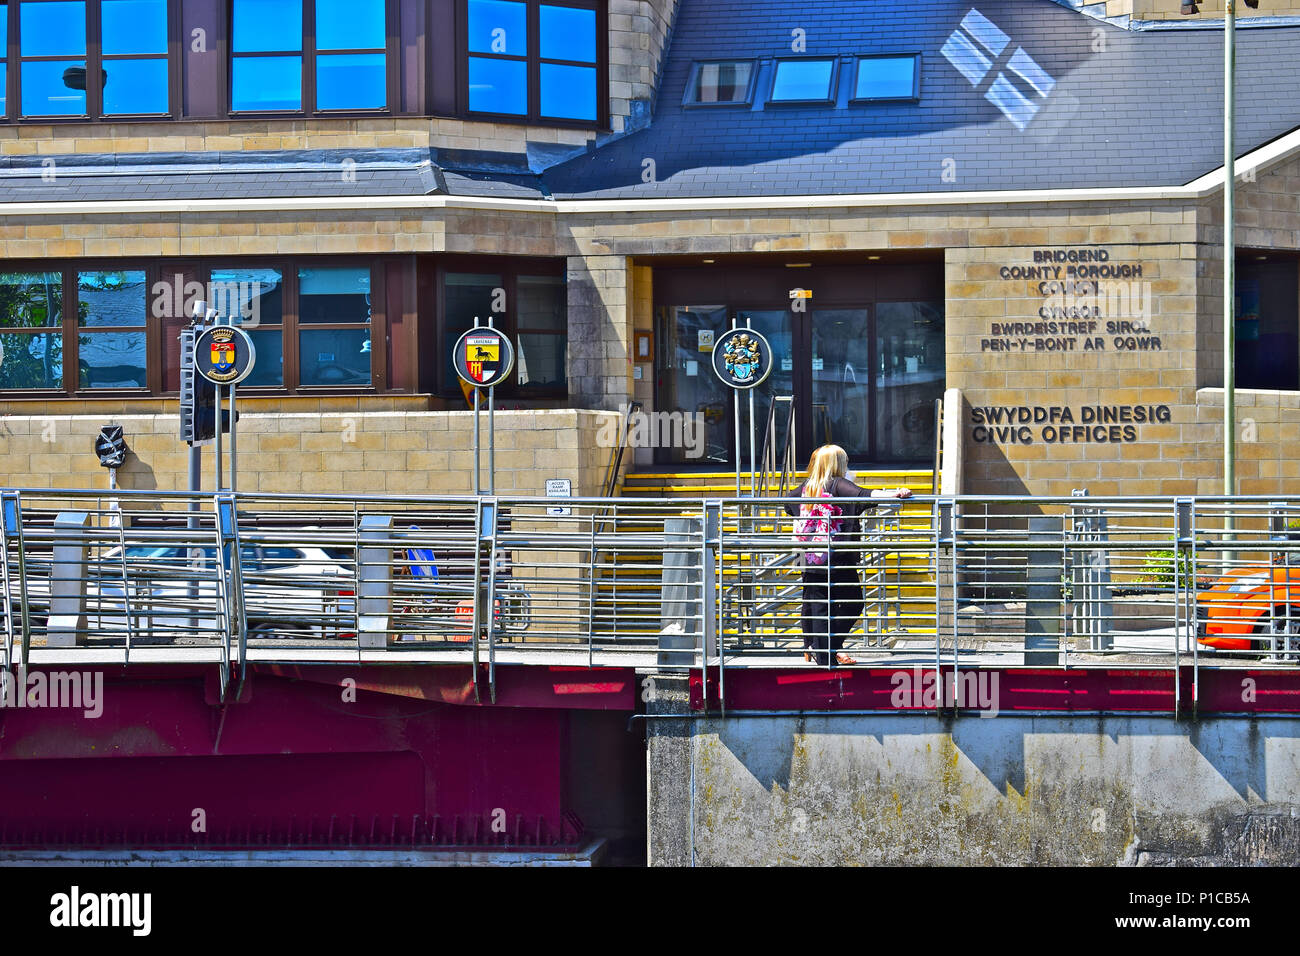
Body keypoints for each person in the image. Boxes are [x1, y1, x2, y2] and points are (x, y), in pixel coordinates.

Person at [784, 444, 912, 666]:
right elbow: (866, 495)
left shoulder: (805, 488)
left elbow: (787, 505)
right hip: (836, 558)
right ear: (836, 464)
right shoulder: (837, 484)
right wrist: (896, 493)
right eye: (844, 461)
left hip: (807, 556)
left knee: (817, 603)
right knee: (852, 601)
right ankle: (825, 652)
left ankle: (816, 647)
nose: (847, 465)